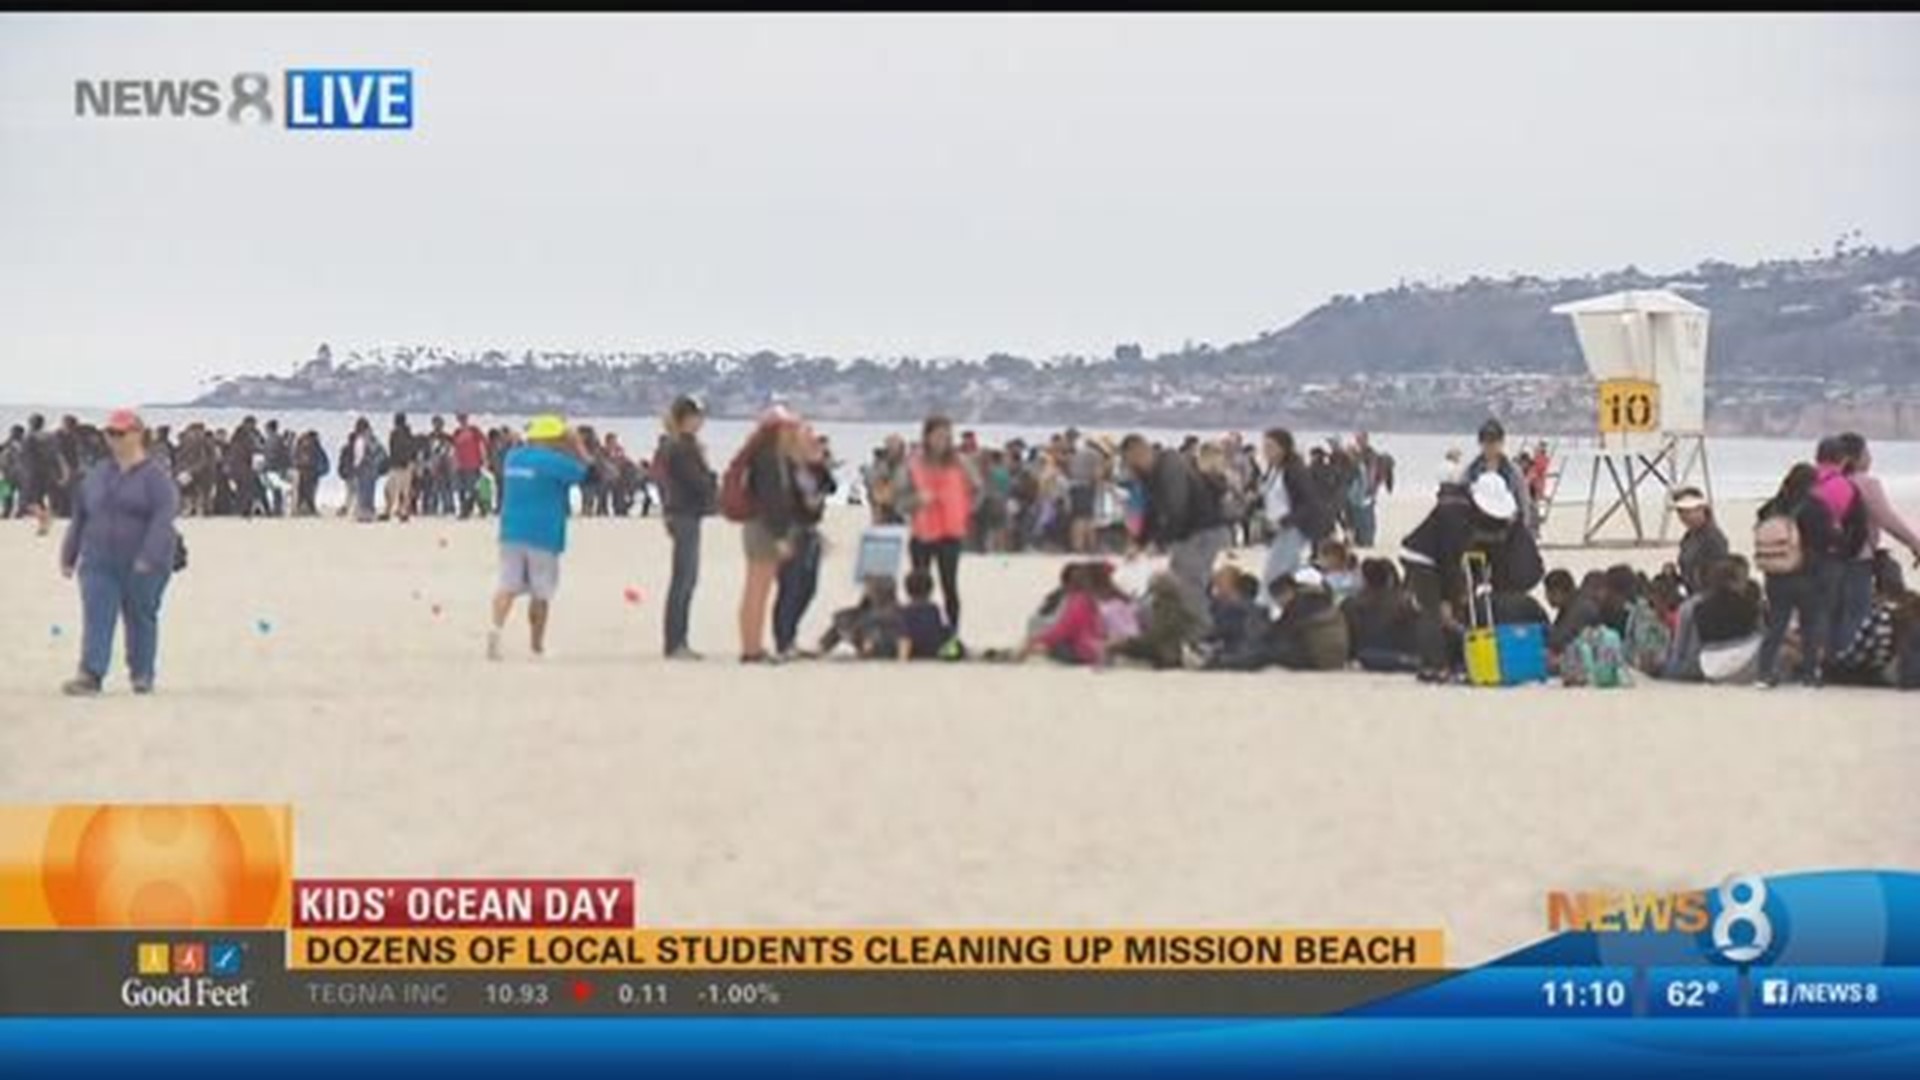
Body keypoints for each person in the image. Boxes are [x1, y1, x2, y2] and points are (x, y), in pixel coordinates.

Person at [57, 408, 179, 696]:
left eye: (120, 433)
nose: (114, 439)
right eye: (109, 433)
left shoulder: (156, 478)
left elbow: (164, 518)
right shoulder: (98, 475)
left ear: (138, 435)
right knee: (97, 615)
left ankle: (142, 673)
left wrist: (149, 555)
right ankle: (90, 674)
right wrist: (69, 554)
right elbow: (81, 515)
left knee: (141, 618)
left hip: (145, 563)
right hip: (98, 559)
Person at [1399, 469, 1544, 681]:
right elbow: (1449, 560)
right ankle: (1434, 666)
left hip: (1441, 558)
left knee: (1451, 610)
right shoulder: (1454, 515)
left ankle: (1455, 658)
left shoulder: (1469, 513)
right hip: (1421, 557)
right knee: (1433, 611)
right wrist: (1448, 598)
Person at [486, 415, 597, 661]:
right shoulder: (555, 462)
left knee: (507, 585)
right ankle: (536, 646)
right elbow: (592, 476)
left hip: (511, 530)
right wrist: (578, 447)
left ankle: (495, 631)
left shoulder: (512, 458)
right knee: (541, 592)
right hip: (543, 533)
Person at [1121, 433, 1230, 637]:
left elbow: (1176, 508)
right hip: (1187, 534)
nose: (1131, 468)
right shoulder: (1149, 473)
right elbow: (1152, 510)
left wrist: (1159, 541)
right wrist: (1140, 542)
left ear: (1141, 452)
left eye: (1131, 462)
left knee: (1190, 583)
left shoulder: (1171, 467)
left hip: (1202, 531)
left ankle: (1203, 634)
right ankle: (1190, 629)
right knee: (1181, 580)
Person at [1755, 463, 1842, 688]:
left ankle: (1764, 673)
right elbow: (1829, 539)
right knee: (1810, 625)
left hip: (1775, 573)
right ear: (1812, 484)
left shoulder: (1772, 506)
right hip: (1808, 573)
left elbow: (1759, 522)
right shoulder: (1816, 508)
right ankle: (1809, 674)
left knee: (1776, 624)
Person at [737, 409, 805, 664]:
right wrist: (780, 536)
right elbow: (772, 500)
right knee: (757, 591)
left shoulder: (770, 456)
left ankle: (753, 645)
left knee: (757, 591)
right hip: (765, 529)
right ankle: (751, 648)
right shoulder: (768, 459)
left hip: (761, 527)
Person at [658, 397, 716, 660]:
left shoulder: (677, 445)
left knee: (685, 579)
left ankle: (678, 639)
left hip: (682, 513)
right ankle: (675, 642)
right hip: (684, 514)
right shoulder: (682, 447)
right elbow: (697, 482)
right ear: (688, 418)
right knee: (684, 579)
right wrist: (711, 479)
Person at [773, 424, 836, 659]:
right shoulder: (784, 469)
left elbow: (831, 487)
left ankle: (792, 636)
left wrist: (820, 463)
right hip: (791, 530)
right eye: (806, 441)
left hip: (811, 530)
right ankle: (784, 641)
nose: (811, 445)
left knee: (809, 587)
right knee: (790, 586)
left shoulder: (813, 470)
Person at [907, 415, 975, 634]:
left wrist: (965, 509)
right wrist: (916, 501)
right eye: (938, 436)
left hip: (950, 532)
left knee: (949, 586)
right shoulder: (914, 462)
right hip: (922, 531)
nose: (942, 441)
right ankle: (918, 631)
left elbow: (978, 487)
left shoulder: (960, 462)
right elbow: (898, 497)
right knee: (919, 586)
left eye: (946, 436)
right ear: (927, 437)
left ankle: (952, 633)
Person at [1256, 428, 1329, 592]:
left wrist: (1284, 521)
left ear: (1283, 448)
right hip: (1277, 529)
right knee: (1289, 571)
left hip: (1292, 529)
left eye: (1270, 447)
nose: (1265, 451)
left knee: (1273, 576)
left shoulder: (1294, 470)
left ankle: (1267, 608)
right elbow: (1270, 497)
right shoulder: (1273, 470)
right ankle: (1311, 591)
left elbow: (1309, 503)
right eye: (1264, 447)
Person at [1343, 558, 1420, 672]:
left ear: (1364, 579)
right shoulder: (1404, 602)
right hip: (1402, 656)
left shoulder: (1351, 604)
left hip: (1365, 655)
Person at [1462, 419, 1536, 536]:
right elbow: (1462, 500)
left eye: (1494, 441)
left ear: (1502, 442)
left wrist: (1523, 530)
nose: (1490, 446)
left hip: (1506, 531)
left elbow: (1523, 502)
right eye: (1486, 442)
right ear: (1480, 443)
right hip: (1477, 531)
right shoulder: (1471, 471)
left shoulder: (1513, 471)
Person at [1671, 487, 1728, 596]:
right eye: (1681, 512)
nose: (1685, 516)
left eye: (1689, 511)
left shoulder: (1712, 538)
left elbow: (1719, 576)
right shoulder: (1688, 537)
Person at [899, 569, 952, 659]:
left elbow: (904, 636)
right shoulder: (935, 610)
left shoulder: (904, 612)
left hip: (914, 652)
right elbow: (945, 630)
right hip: (934, 651)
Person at [452, 413, 488, 519]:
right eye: (460, 419)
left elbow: (482, 445)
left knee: (471, 488)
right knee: (461, 489)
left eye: (463, 419)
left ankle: (468, 510)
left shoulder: (474, 431)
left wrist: (484, 459)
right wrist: (455, 462)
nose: (462, 421)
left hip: (473, 463)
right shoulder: (457, 433)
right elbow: (455, 449)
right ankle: (469, 508)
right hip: (460, 464)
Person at [384, 412, 418, 522]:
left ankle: (390, 511)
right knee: (404, 490)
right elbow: (413, 450)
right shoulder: (408, 434)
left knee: (391, 489)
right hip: (405, 465)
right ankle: (403, 512)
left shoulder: (395, 434)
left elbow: (393, 450)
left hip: (397, 465)